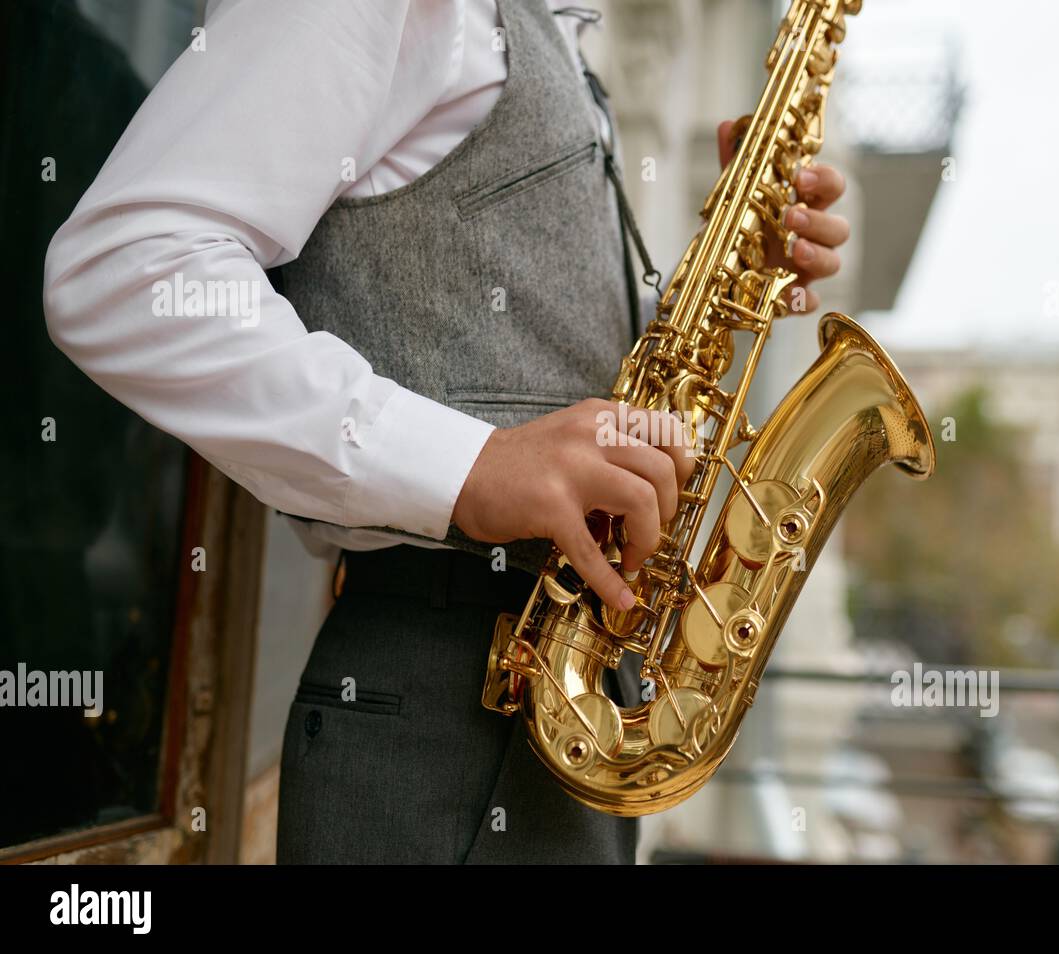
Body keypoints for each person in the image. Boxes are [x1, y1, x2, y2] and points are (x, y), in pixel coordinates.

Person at [43, 0, 850, 863]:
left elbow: (509, 343)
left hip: (565, 697)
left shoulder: (548, 28)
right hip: (449, 713)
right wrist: (470, 466)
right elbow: (128, 267)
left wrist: (726, 279)